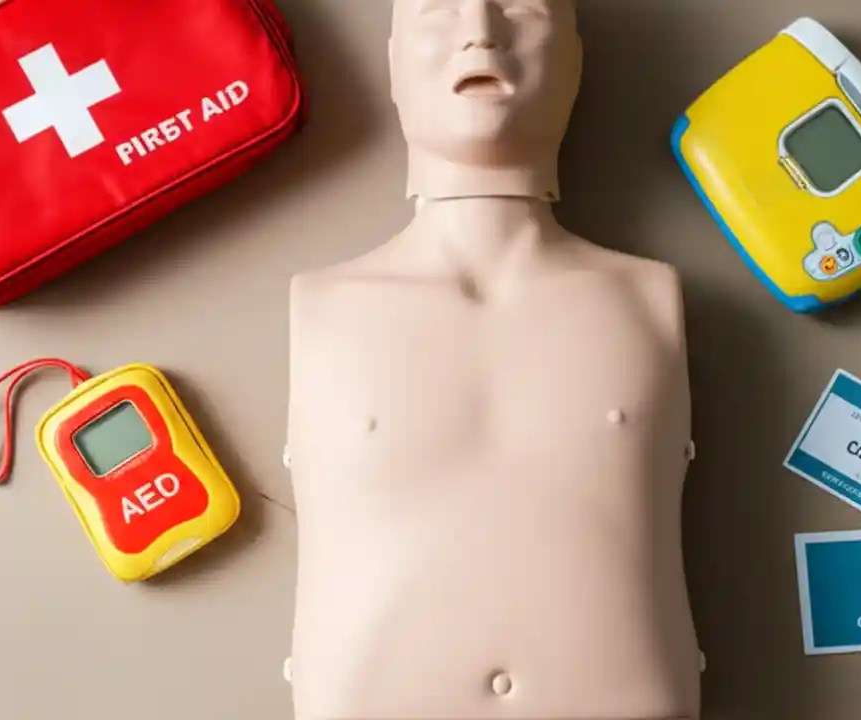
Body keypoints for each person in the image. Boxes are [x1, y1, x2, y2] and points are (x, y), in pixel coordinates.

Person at [284, 1, 701, 718]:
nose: (481, 30)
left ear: (573, 61)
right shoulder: (323, 304)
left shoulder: (647, 295)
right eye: (440, 12)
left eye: (523, 9)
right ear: (392, 63)